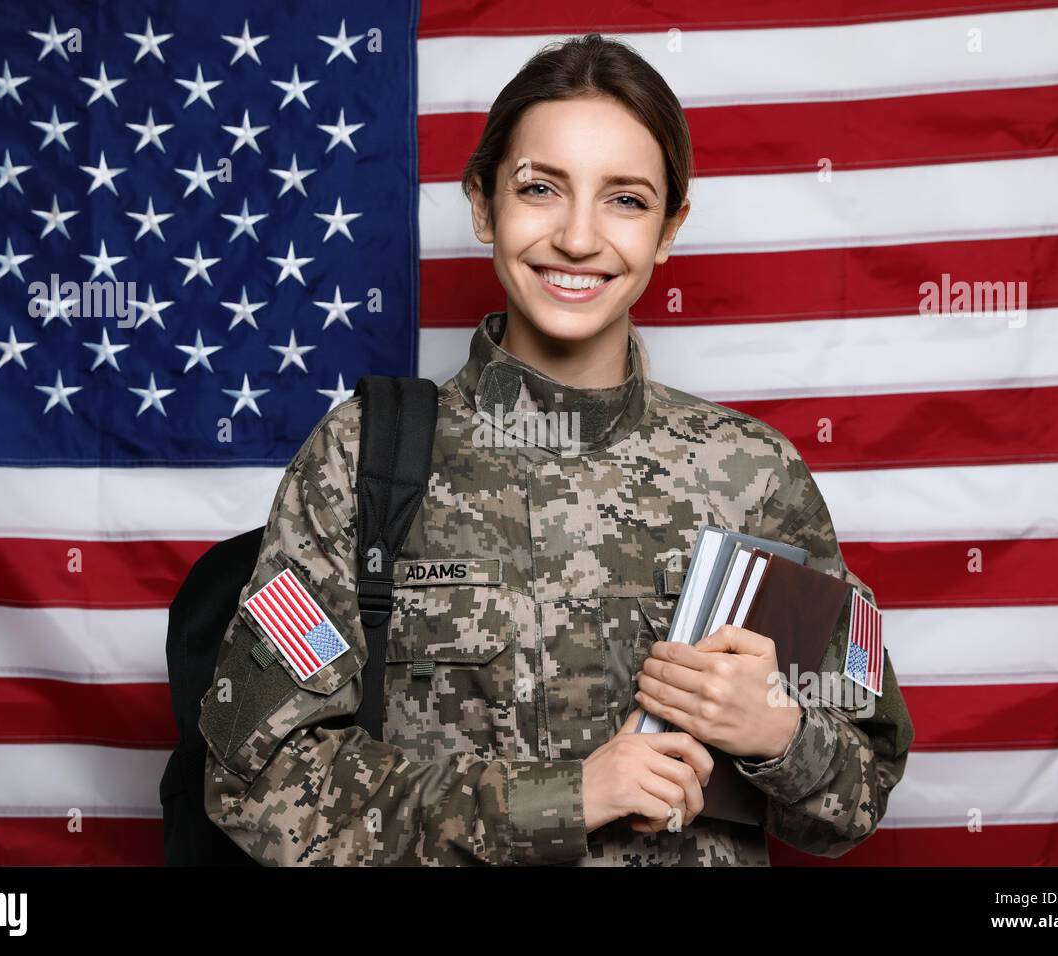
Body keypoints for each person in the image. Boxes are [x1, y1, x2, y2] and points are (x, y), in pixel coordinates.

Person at [200, 32, 913, 866]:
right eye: (540, 188)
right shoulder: (363, 458)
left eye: (626, 200)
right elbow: (256, 783)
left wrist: (777, 733)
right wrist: (567, 796)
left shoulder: (754, 476)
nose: (578, 239)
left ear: (670, 228)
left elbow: (861, 792)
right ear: (481, 203)